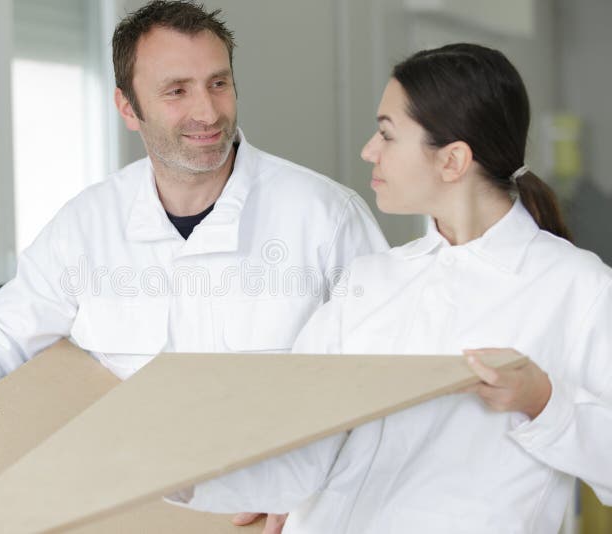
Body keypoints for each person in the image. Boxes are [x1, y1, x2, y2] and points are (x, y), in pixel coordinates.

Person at [0, 2, 387, 532]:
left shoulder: (325, 217)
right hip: (133, 513)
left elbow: (388, 377)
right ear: (127, 107)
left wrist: (313, 486)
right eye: (177, 90)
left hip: (286, 518)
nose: (208, 111)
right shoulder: (88, 225)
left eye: (219, 83)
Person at [169, 43, 612, 533]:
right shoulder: (371, 280)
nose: (369, 150)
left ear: (452, 161)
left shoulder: (577, 288)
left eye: (386, 133)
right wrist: (184, 474)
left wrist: (543, 402)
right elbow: (298, 442)